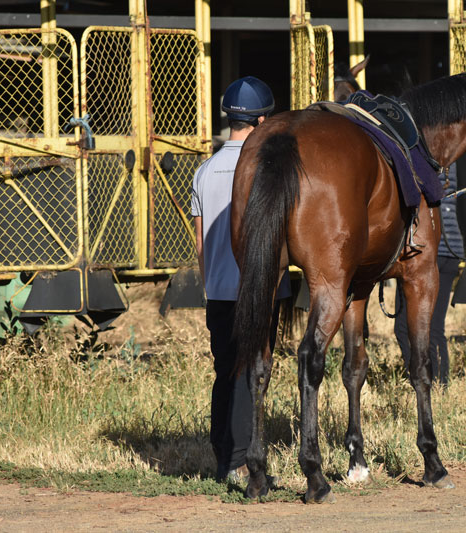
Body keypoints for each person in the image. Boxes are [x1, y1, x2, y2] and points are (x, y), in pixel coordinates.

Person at [190, 76, 287, 483]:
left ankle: (223, 458)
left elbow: (199, 242)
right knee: (253, 373)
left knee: (225, 371)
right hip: (258, 291)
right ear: (263, 120)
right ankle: (243, 461)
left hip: (218, 291)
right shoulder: (265, 170)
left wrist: (214, 278)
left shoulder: (205, 171)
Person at [394, 163, 464, 385]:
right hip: (443, 251)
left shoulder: (420, 161)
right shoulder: (448, 162)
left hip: (427, 253)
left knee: (413, 327)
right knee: (428, 328)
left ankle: (432, 383)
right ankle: (431, 382)